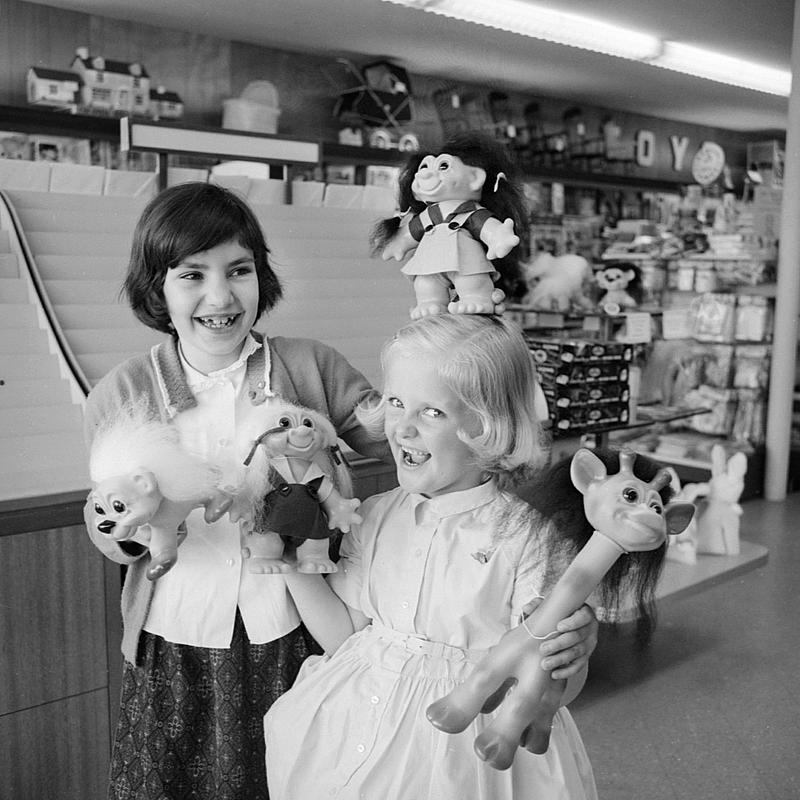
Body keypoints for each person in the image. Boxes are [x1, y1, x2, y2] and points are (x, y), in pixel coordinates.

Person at [82, 182, 390, 800]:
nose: (220, 296)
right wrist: (132, 531)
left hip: (296, 629)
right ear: (156, 288)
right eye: (191, 275)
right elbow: (108, 524)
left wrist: (443, 359)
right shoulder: (121, 392)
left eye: (239, 270)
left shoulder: (311, 366)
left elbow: (395, 435)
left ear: (261, 276)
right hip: (175, 637)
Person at [264, 314, 600, 800]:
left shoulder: (528, 539)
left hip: (464, 758)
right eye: (396, 402)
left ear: (487, 425)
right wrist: (292, 563)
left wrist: (572, 657)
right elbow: (346, 636)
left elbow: (552, 687)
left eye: (432, 413)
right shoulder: (375, 516)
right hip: (356, 721)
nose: (402, 428)